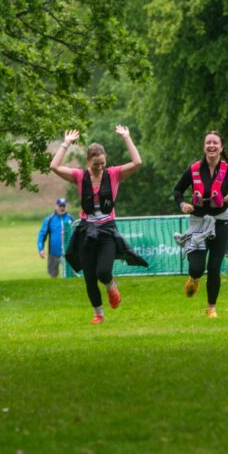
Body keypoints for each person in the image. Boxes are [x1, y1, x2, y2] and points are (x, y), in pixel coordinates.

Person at [50, 125, 147, 324]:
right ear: (87, 162)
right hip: (86, 230)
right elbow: (54, 166)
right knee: (89, 276)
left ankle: (111, 285)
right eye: (96, 165)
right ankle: (98, 314)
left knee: (103, 271)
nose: (100, 168)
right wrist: (66, 144)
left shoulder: (113, 174)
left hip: (107, 230)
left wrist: (127, 137)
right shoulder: (79, 176)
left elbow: (137, 162)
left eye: (102, 164)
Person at [173, 131, 228, 318]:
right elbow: (177, 190)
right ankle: (194, 277)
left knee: (215, 268)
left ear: (221, 147)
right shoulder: (193, 170)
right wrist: (183, 204)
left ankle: (211, 308)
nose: (211, 146)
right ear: (204, 147)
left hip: (221, 222)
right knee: (197, 268)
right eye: (208, 142)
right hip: (198, 223)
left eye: (215, 143)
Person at [37, 197, 74, 278]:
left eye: (63, 206)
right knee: (53, 275)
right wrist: (41, 249)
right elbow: (42, 235)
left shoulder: (71, 219)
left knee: (69, 275)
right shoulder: (50, 219)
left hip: (67, 254)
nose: (62, 208)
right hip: (53, 253)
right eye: (60, 206)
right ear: (56, 206)